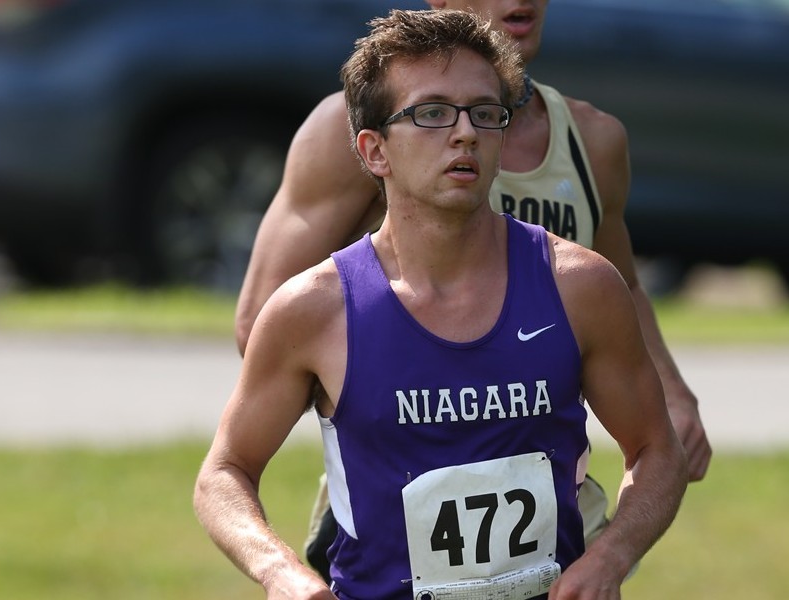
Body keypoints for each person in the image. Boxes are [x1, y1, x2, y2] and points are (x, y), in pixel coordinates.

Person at [195, 9, 688, 598]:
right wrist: (281, 574)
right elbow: (222, 474)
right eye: (431, 114)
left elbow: (658, 451)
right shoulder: (312, 311)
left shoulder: (582, 287)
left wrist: (612, 556)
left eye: (485, 114)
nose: (464, 133)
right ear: (374, 151)